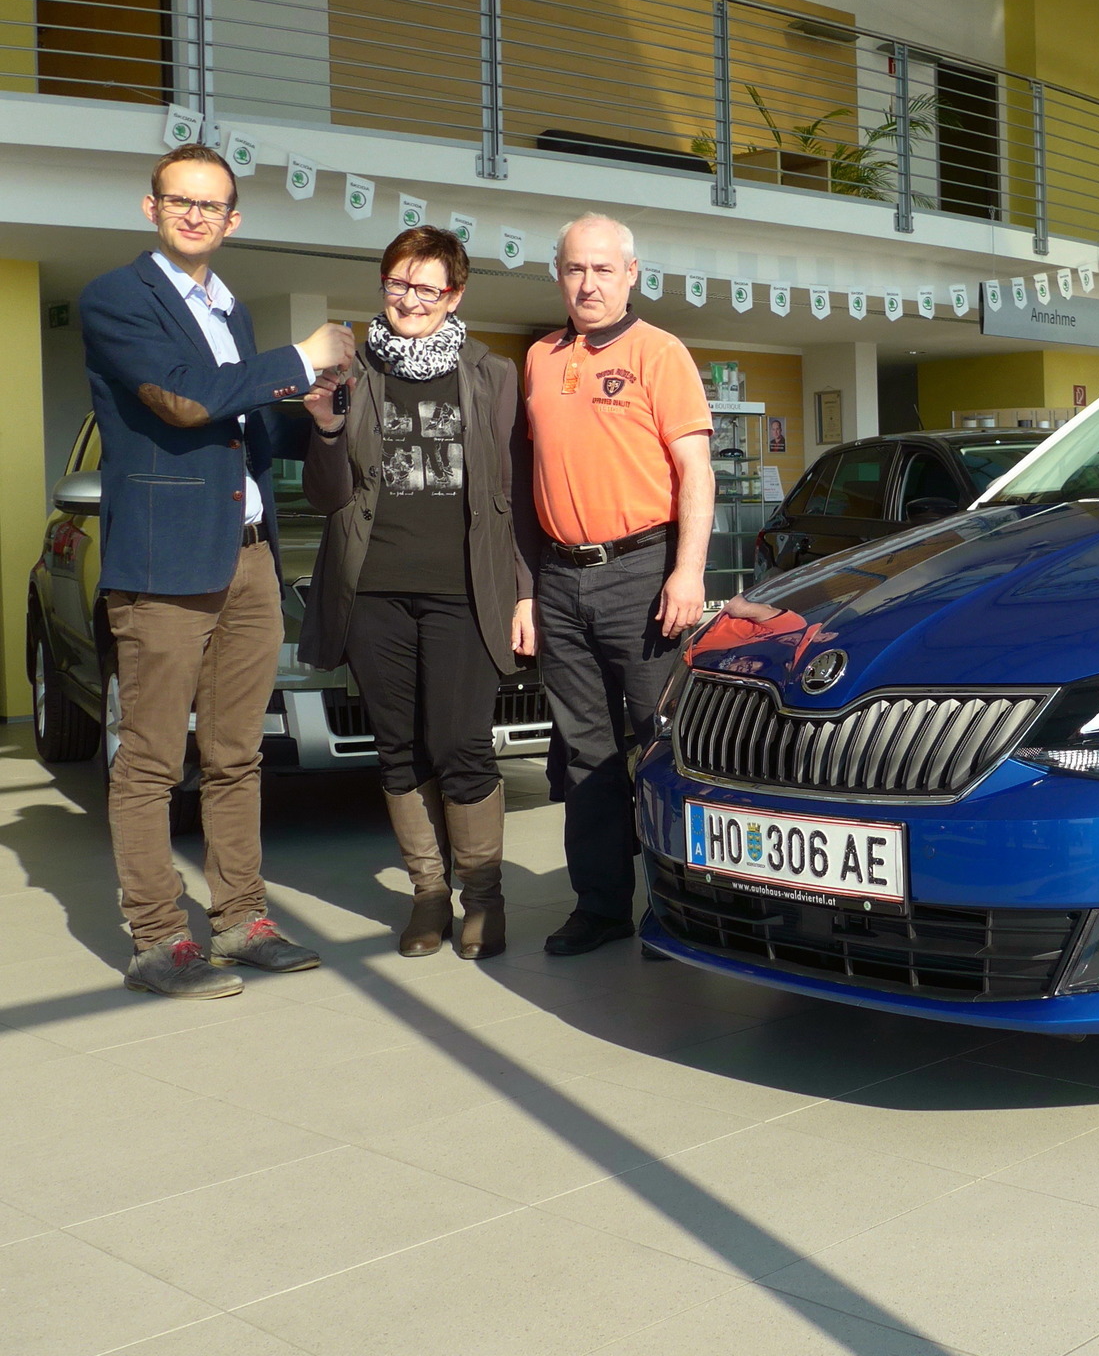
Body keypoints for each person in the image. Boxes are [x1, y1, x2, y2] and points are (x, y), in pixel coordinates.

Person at [79, 144, 353, 997]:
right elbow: (184, 399)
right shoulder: (116, 297)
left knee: (237, 754)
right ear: (151, 208)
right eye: (180, 200)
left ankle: (240, 919)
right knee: (153, 761)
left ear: (233, 220)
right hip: (163, 567)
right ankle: (159, 938)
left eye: (212, 205)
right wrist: (299, 361)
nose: (195, 214)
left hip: (248, 562)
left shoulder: (230, 314)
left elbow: (244, 435)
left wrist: (309, 413)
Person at [298, 227, 527, 960]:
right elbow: (325, 497)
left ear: (454, 295)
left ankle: (483, 898)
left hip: (465, 592)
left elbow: (516, 495)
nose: (411, 300)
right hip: (374, 593)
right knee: (397, 748)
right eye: (399, 284)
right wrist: (327, 430)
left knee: (461, 743)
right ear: (383, 286)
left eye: (428, 287)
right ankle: (429, 893)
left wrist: (524, 593)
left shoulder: (493, 375)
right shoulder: (351, 370)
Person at [515, 213, 713, 956]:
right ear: (557, 275)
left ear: (632, 273)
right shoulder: (537, 357)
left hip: (643, 573)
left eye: (603, 268)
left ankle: (677, 910)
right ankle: (600, 907)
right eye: (574, 269)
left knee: (661, 746)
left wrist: (687, 572)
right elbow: (525, 478)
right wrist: (527, 591)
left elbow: (695, 470)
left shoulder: (660, 353)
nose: (588, 282)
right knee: (584, 751)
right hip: (560, 578)